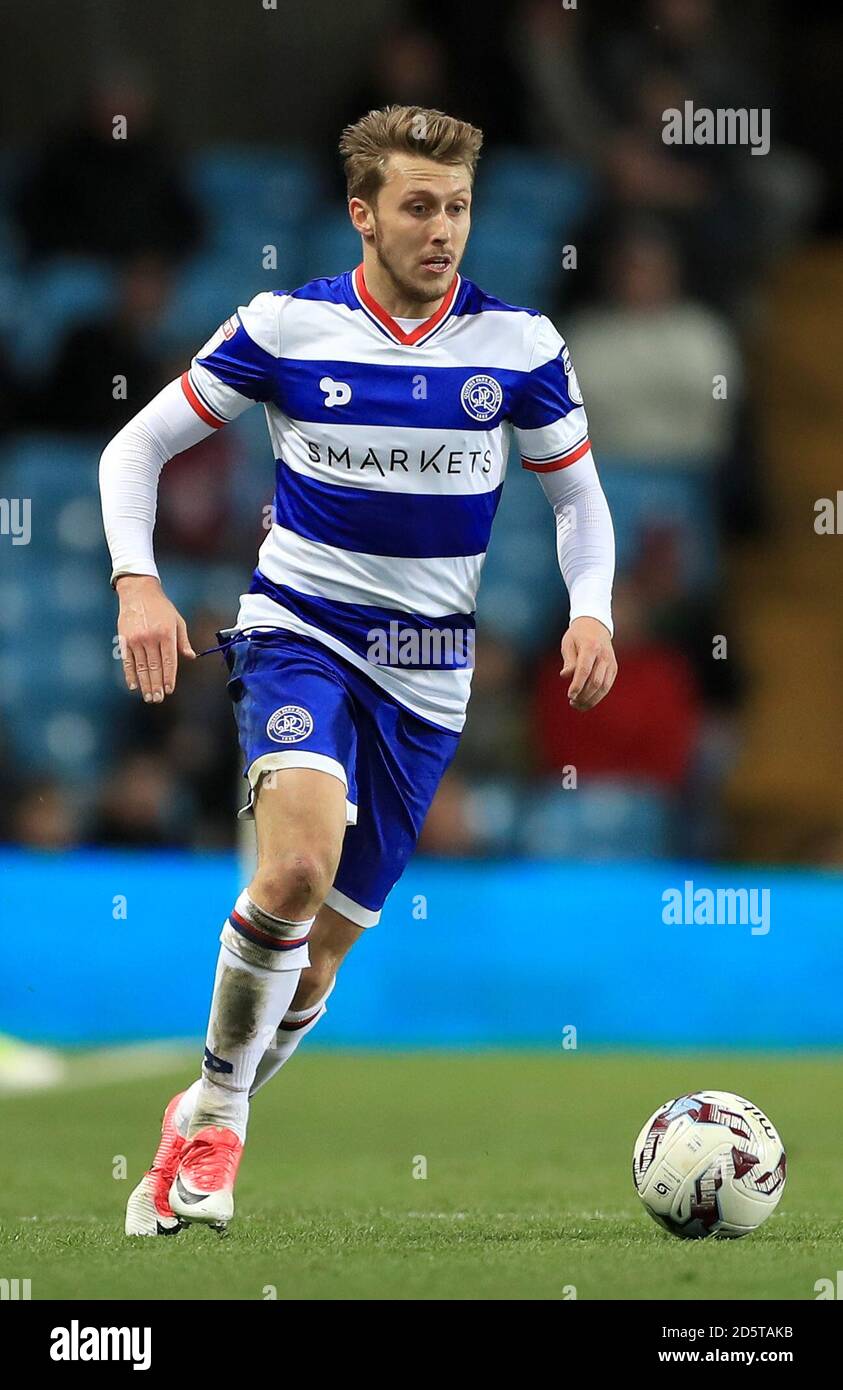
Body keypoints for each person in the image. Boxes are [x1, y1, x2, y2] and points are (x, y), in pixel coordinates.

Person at [98, 105, 617, 1236]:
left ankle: (195, 1107)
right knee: (290, 871)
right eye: (419, 206)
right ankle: (225, 1122)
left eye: (460, 207)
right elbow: (135, 445)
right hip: (302, 633)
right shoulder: (287, 327)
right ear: (363, 213)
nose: (443, 230)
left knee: (318, 964)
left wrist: (592, 610)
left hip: (428, 675)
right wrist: (138, 583)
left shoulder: (519, 345)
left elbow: (576, 498)